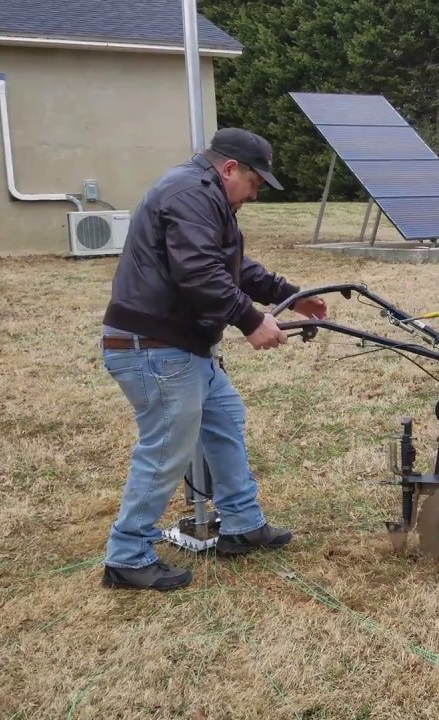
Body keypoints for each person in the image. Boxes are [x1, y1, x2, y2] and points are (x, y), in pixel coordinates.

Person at [98, 128, 327, 591]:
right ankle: (126, 556)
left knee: (224, 418)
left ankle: (242, 524)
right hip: (154, 347)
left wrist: (289, 296)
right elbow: (199, 273)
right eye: (255, 183)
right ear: (228, 170)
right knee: (166, 450)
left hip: (178, 347)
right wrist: (250, 320)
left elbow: (231, 268)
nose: (255, 194)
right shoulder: (189, 196)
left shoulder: (205, 198)